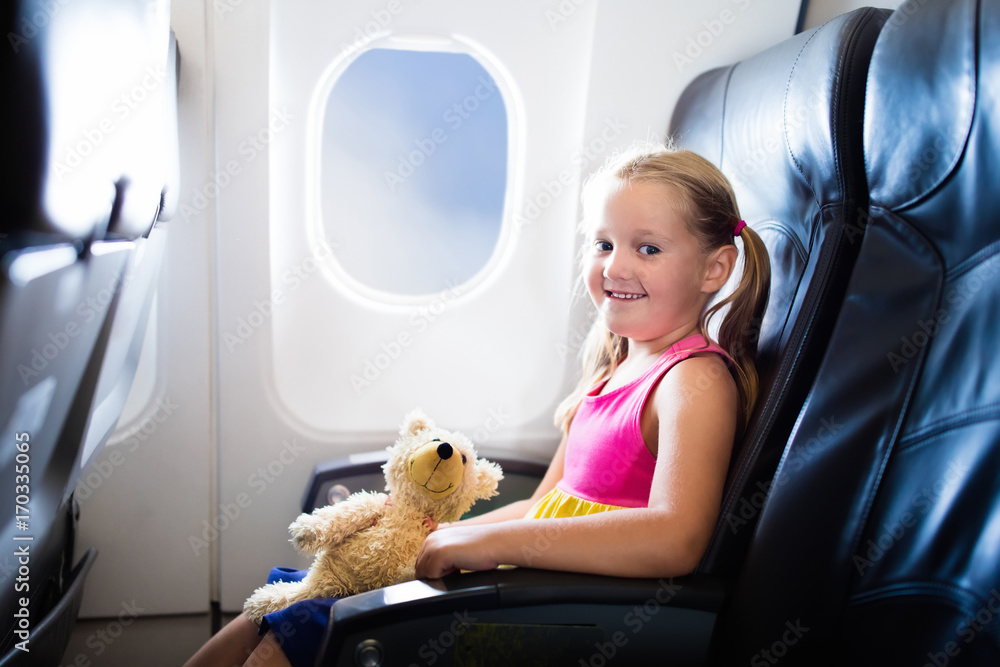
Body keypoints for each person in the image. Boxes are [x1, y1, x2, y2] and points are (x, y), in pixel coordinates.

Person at [183, 143, 770, 667]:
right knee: (293, 597)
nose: (615, 266)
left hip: (571, 616)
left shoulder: (691, 380)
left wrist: (486, 546)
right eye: (603, 244)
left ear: (714, 269)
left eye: (647, 249)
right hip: (538, 581)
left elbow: (676, 538)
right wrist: (432, 538)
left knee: (315, 628)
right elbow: (546, 507)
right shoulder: (614, 369)